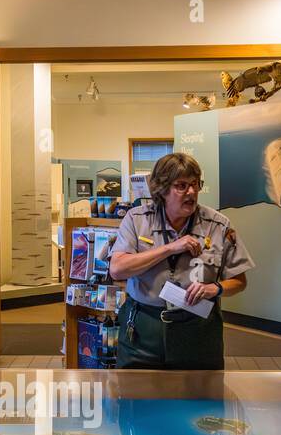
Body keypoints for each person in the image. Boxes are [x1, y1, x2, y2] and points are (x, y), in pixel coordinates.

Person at [108, 152, 254, 369]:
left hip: (198, 332)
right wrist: (169, 248)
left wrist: (215, 289)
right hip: (143, 331)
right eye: (182, 185)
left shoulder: (217, 225)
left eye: (195, 184)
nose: (192, 192)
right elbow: (117, 270)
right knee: (136, 398)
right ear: (162, 189)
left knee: (202, 398)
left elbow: (239, 281)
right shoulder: (137, 220)